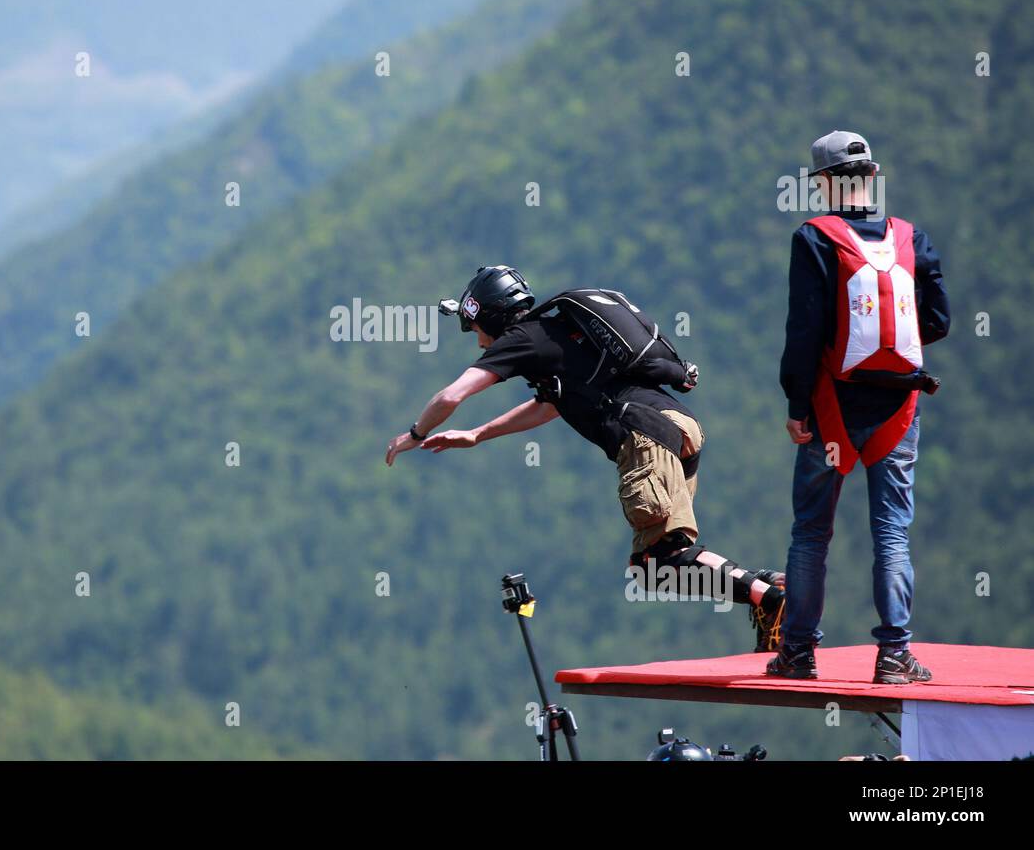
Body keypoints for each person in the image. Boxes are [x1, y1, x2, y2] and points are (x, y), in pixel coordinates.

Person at [385, 265, 787, 649]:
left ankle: (768, 598)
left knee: (657, 562)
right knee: (659, 565)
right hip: (677, 428)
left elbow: (452, 395)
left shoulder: (522, 338)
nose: (478, 342)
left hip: (644, 437)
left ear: (491, 316)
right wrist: (477, 434)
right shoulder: (559, 335)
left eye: (475, 328)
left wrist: (414, 434)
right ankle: (769, 587)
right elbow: (549, 406)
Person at [771, 131, 950, 683]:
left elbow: (804, 332)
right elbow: (938, 321)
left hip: (831, 408)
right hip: (899, 411)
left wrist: (797, 404)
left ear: (822, 183)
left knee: (811, 533)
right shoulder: (911, 238)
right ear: (872, 177)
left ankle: (798, 652)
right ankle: (894, 654)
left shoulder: (815, 238)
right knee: (892, 533)